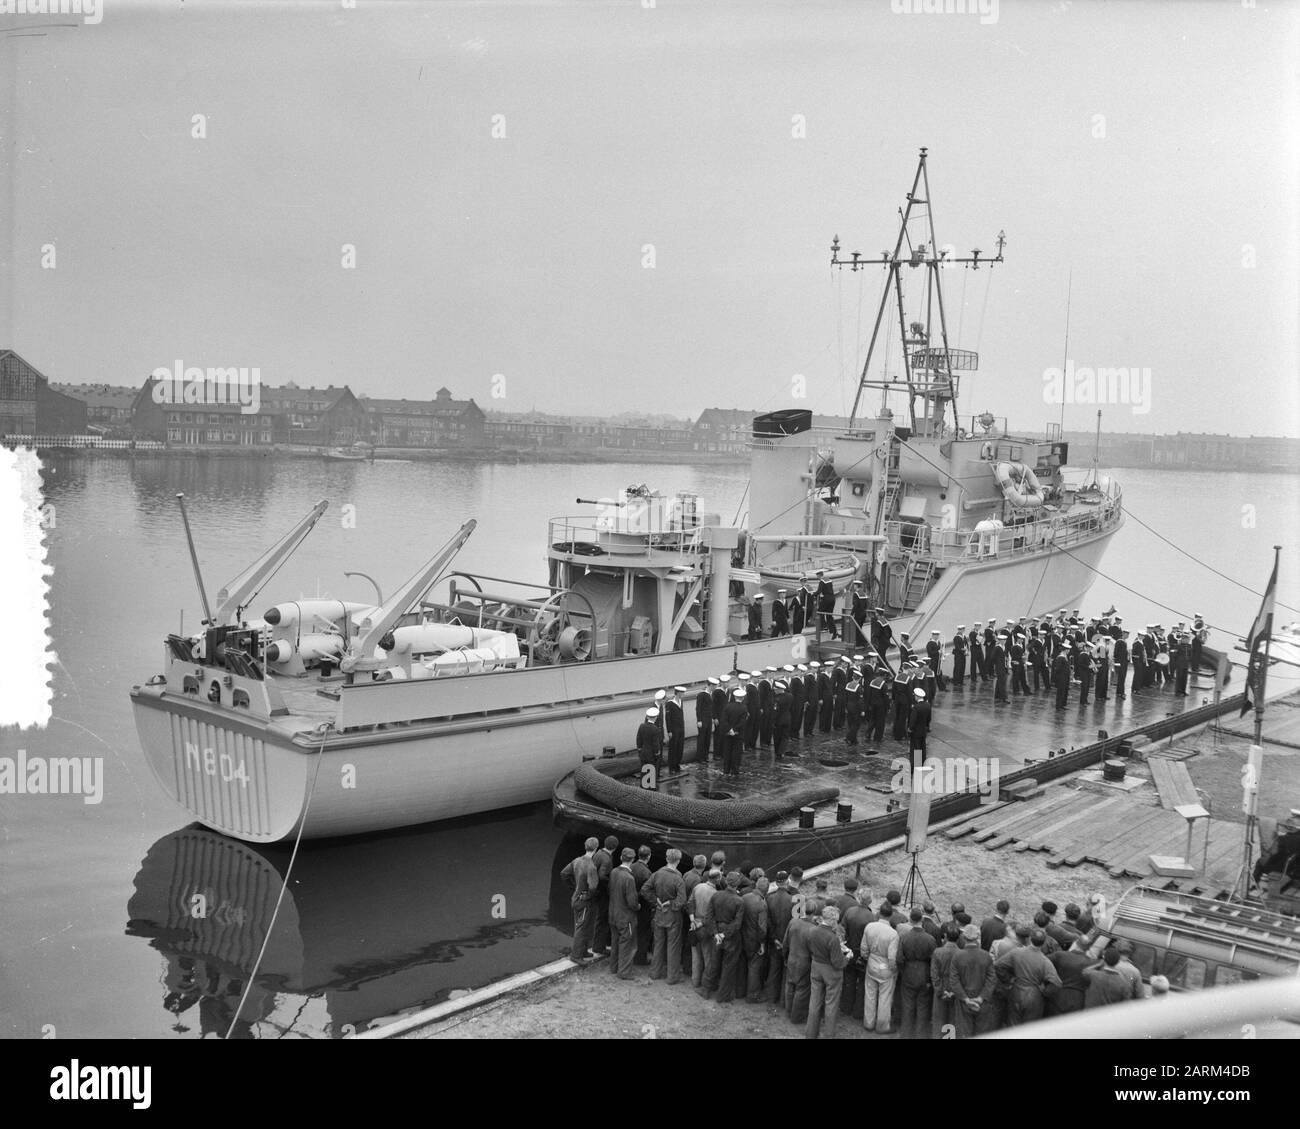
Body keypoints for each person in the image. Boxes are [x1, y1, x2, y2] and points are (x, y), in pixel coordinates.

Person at [995, 928, 1061, 1025]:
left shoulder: (1016, 952)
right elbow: (1057, 983)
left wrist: (1009, 979)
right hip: (1034, 996)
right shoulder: (1045, 961)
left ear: (1030, 939)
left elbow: (998, 965)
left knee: (1013, 1025)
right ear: (1043, 943)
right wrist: (1045, 992)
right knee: (1029, 1029)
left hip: (1016, 991)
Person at [641, 847, 687, 984]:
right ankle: (672, 977)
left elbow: (644, 890)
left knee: (658, 944)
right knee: (673, 946)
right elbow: (682, 901)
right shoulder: (678, 878)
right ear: (678, 860)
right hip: (673, 916)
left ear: (667, 859)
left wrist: (656, 900)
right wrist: (670, 903)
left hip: (659, 914)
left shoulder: (657, 874)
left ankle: (655, 973)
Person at [806, 905, 850, 1039]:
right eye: (836, 921)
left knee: (814, 1002)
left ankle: (811, 1034)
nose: (836, 923)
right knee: (831, 1004)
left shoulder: (812, 930)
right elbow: (838, 963)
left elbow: (811, 947)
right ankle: (829, 1035)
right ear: (832, 920)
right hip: (831, 972)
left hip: (816, 967)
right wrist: (847, 956)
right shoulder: (833, 938)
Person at [701, 872, 746, 1003]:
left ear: (726, 882)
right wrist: (724, 934)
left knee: (713, 962)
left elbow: (709, 917)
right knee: (728, 966)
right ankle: (722, 995)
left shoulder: (716, 895)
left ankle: (706, 990)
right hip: (730, 937)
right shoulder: (739, 901)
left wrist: (716, 933)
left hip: (716, 934)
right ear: (737, 884)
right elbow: (737, 924)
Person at [898, 906, 938, 1039]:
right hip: (924, 975)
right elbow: (934, 960)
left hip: (908, 974)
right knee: (923, 1007)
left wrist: (904, 971)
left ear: (910, 919)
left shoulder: (904, 937)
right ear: (922, 920)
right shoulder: (930, 939)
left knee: (908, 1006)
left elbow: (899, 959)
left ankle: (906, 1034)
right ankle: (920, 1034)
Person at [950, 923, 996, 1037]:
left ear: (964, 938)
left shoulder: (957, 956)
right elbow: (992, 980)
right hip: (982, 1001)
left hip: (963, 1001)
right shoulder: (986, 956)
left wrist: (966, 999)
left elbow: (954, 981)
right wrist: (981, 998)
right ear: (977, 938)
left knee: (964, 1032)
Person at [559, 838, 601, 962]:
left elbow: (564, 874)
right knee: (582, 927)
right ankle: (576, 956)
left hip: (576, 898)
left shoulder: (576, 861)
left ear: (585, 846)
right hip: (584, 902)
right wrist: (588, 895)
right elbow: (593, 886)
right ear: (596, 849)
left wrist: (574, 888)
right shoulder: (591, 867)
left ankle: (583, 951)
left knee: (584, 925)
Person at [861, 912, 900, 1034]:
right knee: (885, 997)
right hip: (885, 967)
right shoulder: (893, 934)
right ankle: (882, 1026)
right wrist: (893, 970)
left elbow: (863, 948)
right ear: (890, 916)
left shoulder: (869, 926)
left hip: (872, 963)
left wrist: (868, 958)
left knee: (870, 994)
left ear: (879, 914)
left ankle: (868, 1023)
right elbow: (892, 957)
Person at [608, 848, 641, 980]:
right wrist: (638, 906)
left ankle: (613, 967)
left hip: (612, 913)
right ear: (632, 860)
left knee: (615, 941)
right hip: (625, 917)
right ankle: (624, 972)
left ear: (621, 858)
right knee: (627, 943)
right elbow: (632, 902)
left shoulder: (614, 872)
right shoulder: (629, 878)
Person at [764, 872, 797, 1004]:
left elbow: (767, 921)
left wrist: (774, 939)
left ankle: (772, 997)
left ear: (776, 883)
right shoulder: (795, 899)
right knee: (786, 971)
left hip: (774, 941)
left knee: (774, 969)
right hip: (788, 941)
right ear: (787, 882)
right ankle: (784, 1000)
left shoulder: (768, 898)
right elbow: (797, 923)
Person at [783, 905, 814, 1023]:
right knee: (801, 989)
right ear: (813, 913)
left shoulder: (793, 922)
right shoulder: (812, 928)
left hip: (792, 958)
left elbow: (785, 942)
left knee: (790, 986)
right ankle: (796, 1017)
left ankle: (788, 1011)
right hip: (804, 962)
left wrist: (785, 957)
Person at [689, 869, 720, 988]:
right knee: (708, 957)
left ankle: (695, 981)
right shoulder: (715, 893)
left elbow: (690, 903)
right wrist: (701, 923)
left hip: (693, 925)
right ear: (717, 879)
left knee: (695, 956)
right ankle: (706, 984)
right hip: (705, 927)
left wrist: (692, 920)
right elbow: (711, 915)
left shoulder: (698, 887)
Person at [740, 875, 769, 1002]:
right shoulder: (762, 904)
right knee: (754, 967)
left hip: (742, 936)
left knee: (742, 965)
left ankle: (740, 991)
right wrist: (762, 943)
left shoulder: (744, 897)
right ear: (766, 890)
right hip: (754, 940)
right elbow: (762, 928)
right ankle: (752, 995)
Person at [930, 924, 961, 1038]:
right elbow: (961, 976)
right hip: (954, 987)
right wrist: (954, 991)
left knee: (939, 1020)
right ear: (958, 938)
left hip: (941, 986)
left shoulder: (938, 952)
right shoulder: (961, 953)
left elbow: (934, 974)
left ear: (946, 936)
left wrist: (940, 991)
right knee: (952, 1021)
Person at [1047, 938, 1093, 1014]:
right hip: (1077, 1001)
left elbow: (1043, 961)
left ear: (1076, 943)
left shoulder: (1061, 955)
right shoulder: (1091, 963)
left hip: (1056, 996)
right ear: (1088, 948)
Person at [591, 835, 619, 955]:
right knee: (602, 919)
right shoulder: (607, 859)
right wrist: (611, 882)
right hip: (602, 893)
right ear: (615, 847)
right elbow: (602, 875)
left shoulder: (598, 853)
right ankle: (599, 947)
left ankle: (598, 944)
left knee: (599, 919)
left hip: (595, 890)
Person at [630, 846, 653, 965]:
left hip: (630, 905)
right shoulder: (647, 872)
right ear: (648, 857)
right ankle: (640, 958)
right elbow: (647, 892)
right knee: (643, 933)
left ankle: (628, 955)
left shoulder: (631, 867)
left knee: (630, 931)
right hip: (643, 907)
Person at [721, 688, 748, 776]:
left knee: (727, 751)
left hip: (728, 733)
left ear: (734, 696)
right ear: (743, 698)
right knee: (736, 752)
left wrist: (729, 729)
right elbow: (742, 722)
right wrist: (735, 730)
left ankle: (726, 770)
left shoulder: (727, 706)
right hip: (738, 734)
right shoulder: (744, 708)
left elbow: (724, 720)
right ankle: (735, 770)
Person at [665, 687, 686, 773]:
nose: (683, 694)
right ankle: (672, 767)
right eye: (682, 693)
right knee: (673, 747)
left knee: (680, 747)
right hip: (674, 729)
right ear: (677, 693)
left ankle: (677, 764)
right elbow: (668, 718)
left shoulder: (681, 701)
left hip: (681, 728)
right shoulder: (670, 703)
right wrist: (669, 730)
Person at [908, 686, 931, 765]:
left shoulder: (916, 707)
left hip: (916, 732)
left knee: (916, 748)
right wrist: (926, 726)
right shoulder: (928, 705)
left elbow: (912, 720)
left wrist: (910, 728)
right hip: (923, 731)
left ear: (917, 697)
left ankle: (916, 765)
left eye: (914, 696)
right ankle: (922, 763)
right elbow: (929, 718)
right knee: (923, 748)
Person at [772, 678, 793, 758]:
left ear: (780, 689)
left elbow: (776, 711)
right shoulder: (790, 696)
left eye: (776, 689)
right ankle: (781, 751)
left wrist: (773, 721)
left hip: (778, 721)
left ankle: (778, 752)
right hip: (787, 719)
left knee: (777, 736)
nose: (774, 690)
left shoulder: (777, 699)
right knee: (785, 737)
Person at [695, 679, 715, 760]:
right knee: (702, 738)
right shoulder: (702, 694)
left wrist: (712, 717)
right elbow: (698, 708)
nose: (715, 687)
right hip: (703, 720)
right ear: (710, 685)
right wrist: (699, 720)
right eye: (714, 686)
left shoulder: (710, 694)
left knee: (707, 738)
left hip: (709, 719)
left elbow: (711, 708)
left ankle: (705, 756)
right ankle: (700, 757)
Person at [816, 571, 836, 637]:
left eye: (817, 576)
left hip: (826, 598)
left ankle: (824, 627)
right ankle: (832, 630)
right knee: (829, 614)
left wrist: (812, 594)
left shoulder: (822, 581)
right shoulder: (829, 580)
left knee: (820, 611)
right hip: (833, 598)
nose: (817, 577)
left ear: (819, 575)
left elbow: (819, 591)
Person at [845, 675, 863, 745]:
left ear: (853, 677)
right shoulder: (858, 687)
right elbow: (860, 700)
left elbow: (845, 697)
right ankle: (848, 737)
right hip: (856, 708)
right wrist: (862, 710)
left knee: (850, 723)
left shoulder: (848, 684)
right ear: (859, 679)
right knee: (856, 724)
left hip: (849, 706)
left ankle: (854, 740)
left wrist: (845, 707)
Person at [1052, 645, 1071, 711]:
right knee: (1060, 692)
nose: (1069, 651)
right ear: (1065, 650)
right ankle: (1058, 706)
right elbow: (1057, 669)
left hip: (1065, 677)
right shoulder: (1060, 658)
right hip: (1061, 678)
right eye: (1068, 650)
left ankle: (1062, 705)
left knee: (1064, 691)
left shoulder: (1065, 657)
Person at [992, 632, 1009, 704]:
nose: (1004, 641)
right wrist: (997, 663)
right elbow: (992, 657)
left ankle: (997, 695)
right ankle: (1004, 698)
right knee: (1002, 682)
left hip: (1004, 666)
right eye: (1003, 640)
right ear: (1000, 640)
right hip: (999, 667)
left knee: (1000, 681)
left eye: (1005, 640)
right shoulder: (997, 648)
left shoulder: (1004, 647)